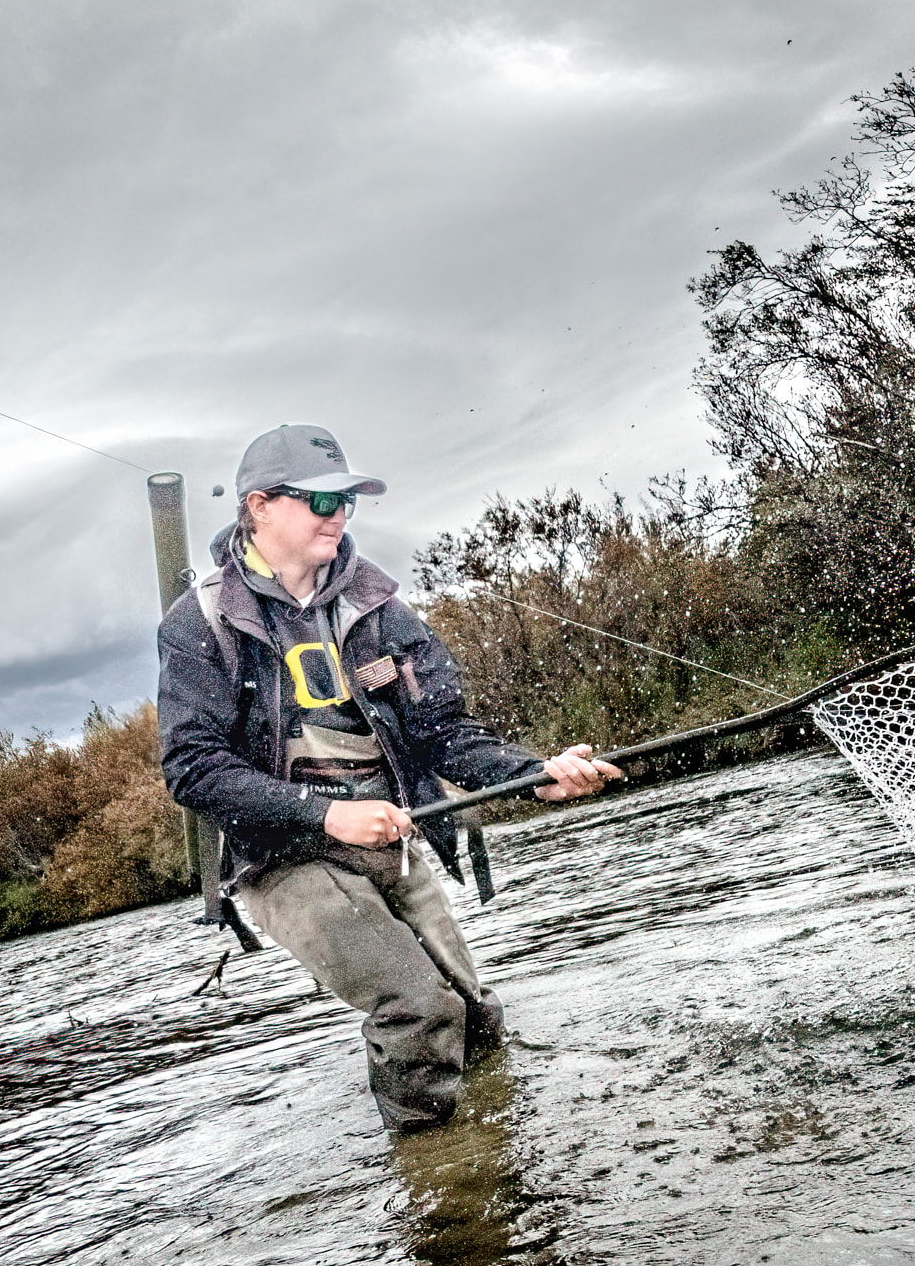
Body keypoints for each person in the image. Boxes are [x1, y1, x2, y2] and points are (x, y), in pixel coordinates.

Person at [157, 425, 621, 1132]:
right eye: (319, 499)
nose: (337, 514)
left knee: (470, 1014)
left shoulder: (381, 611)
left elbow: (444, 733)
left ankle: (497, 1144)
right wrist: (323, 813)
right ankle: (441, 1188)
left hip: (391, 838)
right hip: (283, 853)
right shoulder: (199, 623)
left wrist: (534, 775)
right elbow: (192, 769)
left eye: (346, 500)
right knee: (417, 1009)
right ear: (259, 506)